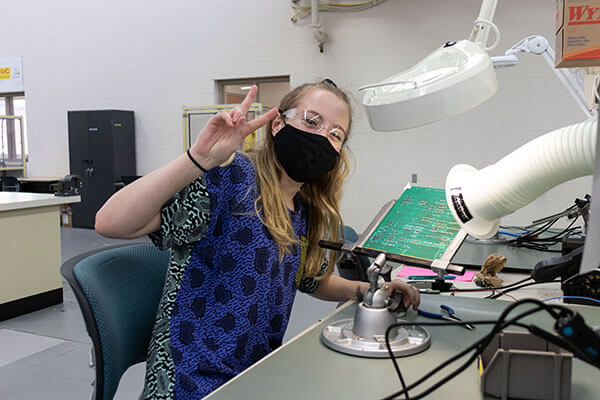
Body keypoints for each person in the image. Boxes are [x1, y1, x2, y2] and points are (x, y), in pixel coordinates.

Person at [95, 80, 420, 399]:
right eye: (312, 121)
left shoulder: (305, 210)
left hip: (254, 375)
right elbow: (111, 222)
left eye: (335, 135)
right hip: (189, 380)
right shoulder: (229, 177)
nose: (322, 136)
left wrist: (371, 291)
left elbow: (309, 281)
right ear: (278, 123)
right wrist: (198, 158)